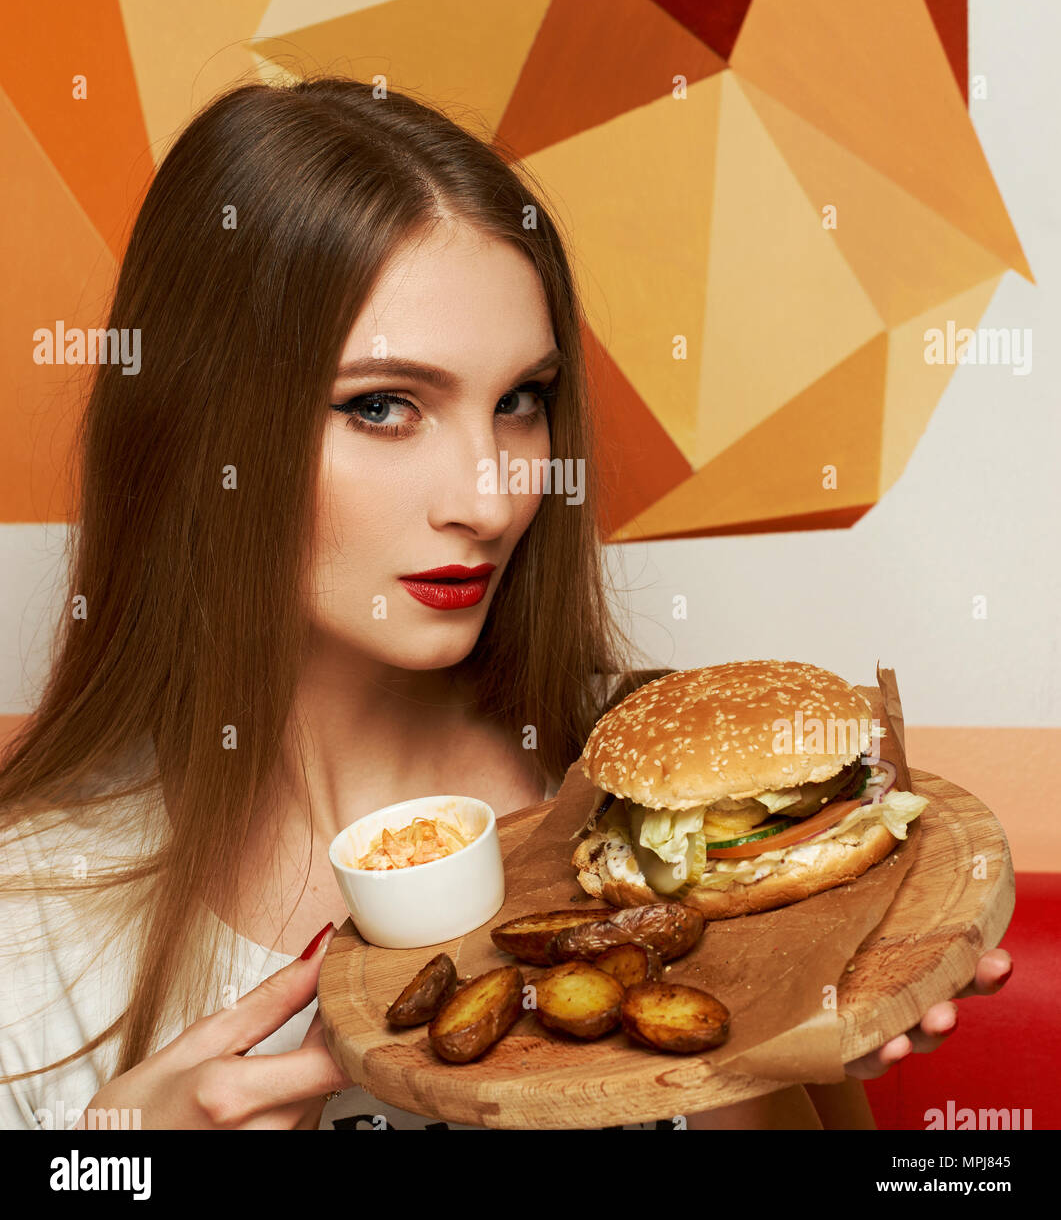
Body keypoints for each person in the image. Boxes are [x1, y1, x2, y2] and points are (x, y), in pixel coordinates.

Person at [0, 77, 1011, 1132]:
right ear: (204, 431)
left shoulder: (662, 814)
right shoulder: (29, 919)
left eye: (519, 401)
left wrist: (770, 1057)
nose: (489, 497)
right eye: (382, 406)